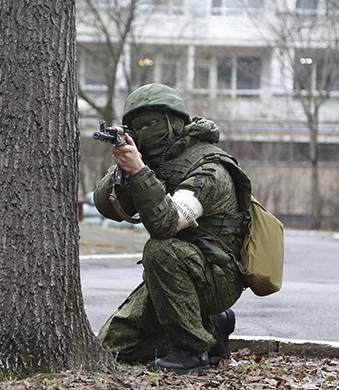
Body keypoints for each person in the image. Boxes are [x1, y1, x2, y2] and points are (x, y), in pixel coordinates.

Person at [94, 83, 252, 374]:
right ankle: (213, 325)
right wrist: (124, 167)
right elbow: (107, 206)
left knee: (160, 249)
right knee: (112, 346)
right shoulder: (157, 162)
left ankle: (192, 351)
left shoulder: (210, 168)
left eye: (151, 124)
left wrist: (140, 171)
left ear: (175, 122)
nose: (145, 132)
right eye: (137, 128)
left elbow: (166, 225)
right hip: (176, 278)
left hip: (218, 277)